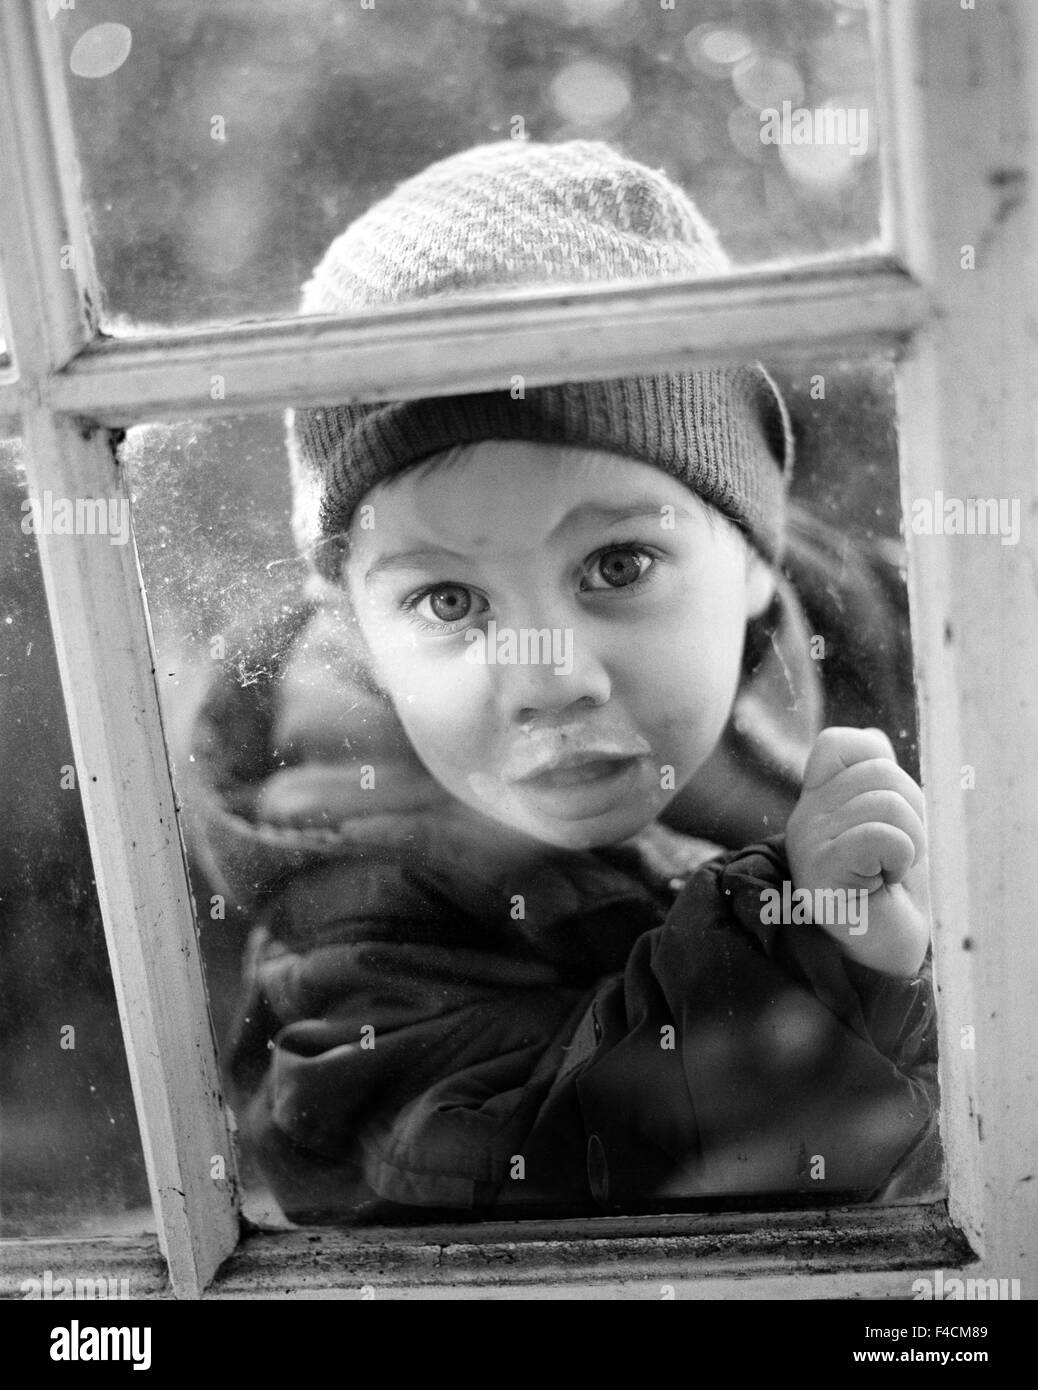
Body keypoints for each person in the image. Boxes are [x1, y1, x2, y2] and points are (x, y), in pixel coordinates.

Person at [181, 140, 940, 1223]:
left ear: (755, 558)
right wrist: (820, 950)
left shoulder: (917, 651)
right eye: (449, 602)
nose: (551, 680)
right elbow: (504, 1179)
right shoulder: (355, 884)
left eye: (617, 566)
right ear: (355, 624)